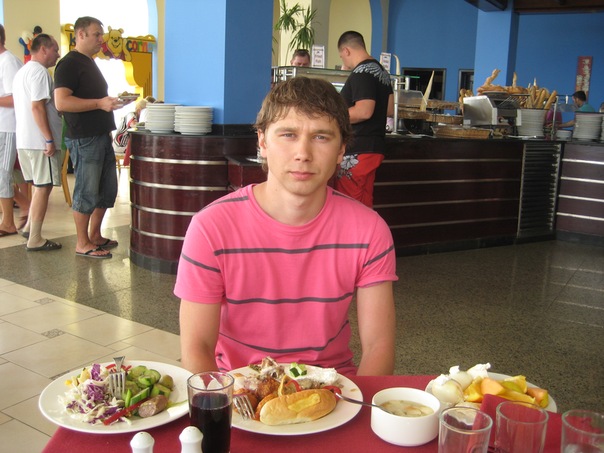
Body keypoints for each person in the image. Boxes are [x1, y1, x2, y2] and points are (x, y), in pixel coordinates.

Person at [176, 77, 397, 376]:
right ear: (263, 141)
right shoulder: (210, 228)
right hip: (239, 388)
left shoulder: (370, 230)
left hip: (334, 387)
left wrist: (360, 401)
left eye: (321, 137)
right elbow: (197, 347)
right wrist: (222, 399)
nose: (303, 153)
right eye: (288, 134)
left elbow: (378, 346)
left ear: (341, 149)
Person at [54, 16, 133, 258]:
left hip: (100, 134)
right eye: (96, 34)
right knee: (87, 191)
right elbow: (61, 102)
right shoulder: (69, 64)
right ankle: (82, 242)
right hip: (84, 137)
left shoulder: (89, 62)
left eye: (101, 35)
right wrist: (100, 103)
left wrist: (111, 103)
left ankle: (95, 235)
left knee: (107, 190)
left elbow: (94, 100)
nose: (101, 39)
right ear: (80, 35)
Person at [13, 33, 63, 251]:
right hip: (39, 141)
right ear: (43, 49)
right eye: (55, 50)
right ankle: (35, 238)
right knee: (43, 187)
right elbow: (37, 107)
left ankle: (29, 229)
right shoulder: (40, 72)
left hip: (25, 140)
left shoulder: (22, 72)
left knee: (38, 186)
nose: (57, 55)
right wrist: (49, 138)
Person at [335, 31, 394, 208]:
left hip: (357, 149)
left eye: (341, 56)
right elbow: (389, 109)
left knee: (348, 204)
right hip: (374, 149)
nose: (344, 61)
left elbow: (364, 111)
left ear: (346, 51)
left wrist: (332, 117)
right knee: (363, 204)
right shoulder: (381, 71)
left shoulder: (361, 72)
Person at [0, 24, 31, 237]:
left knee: (2, 175)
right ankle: (26, 204)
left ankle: (8, 222)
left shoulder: (8, 62)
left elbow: (15, 99)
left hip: (7, 127)